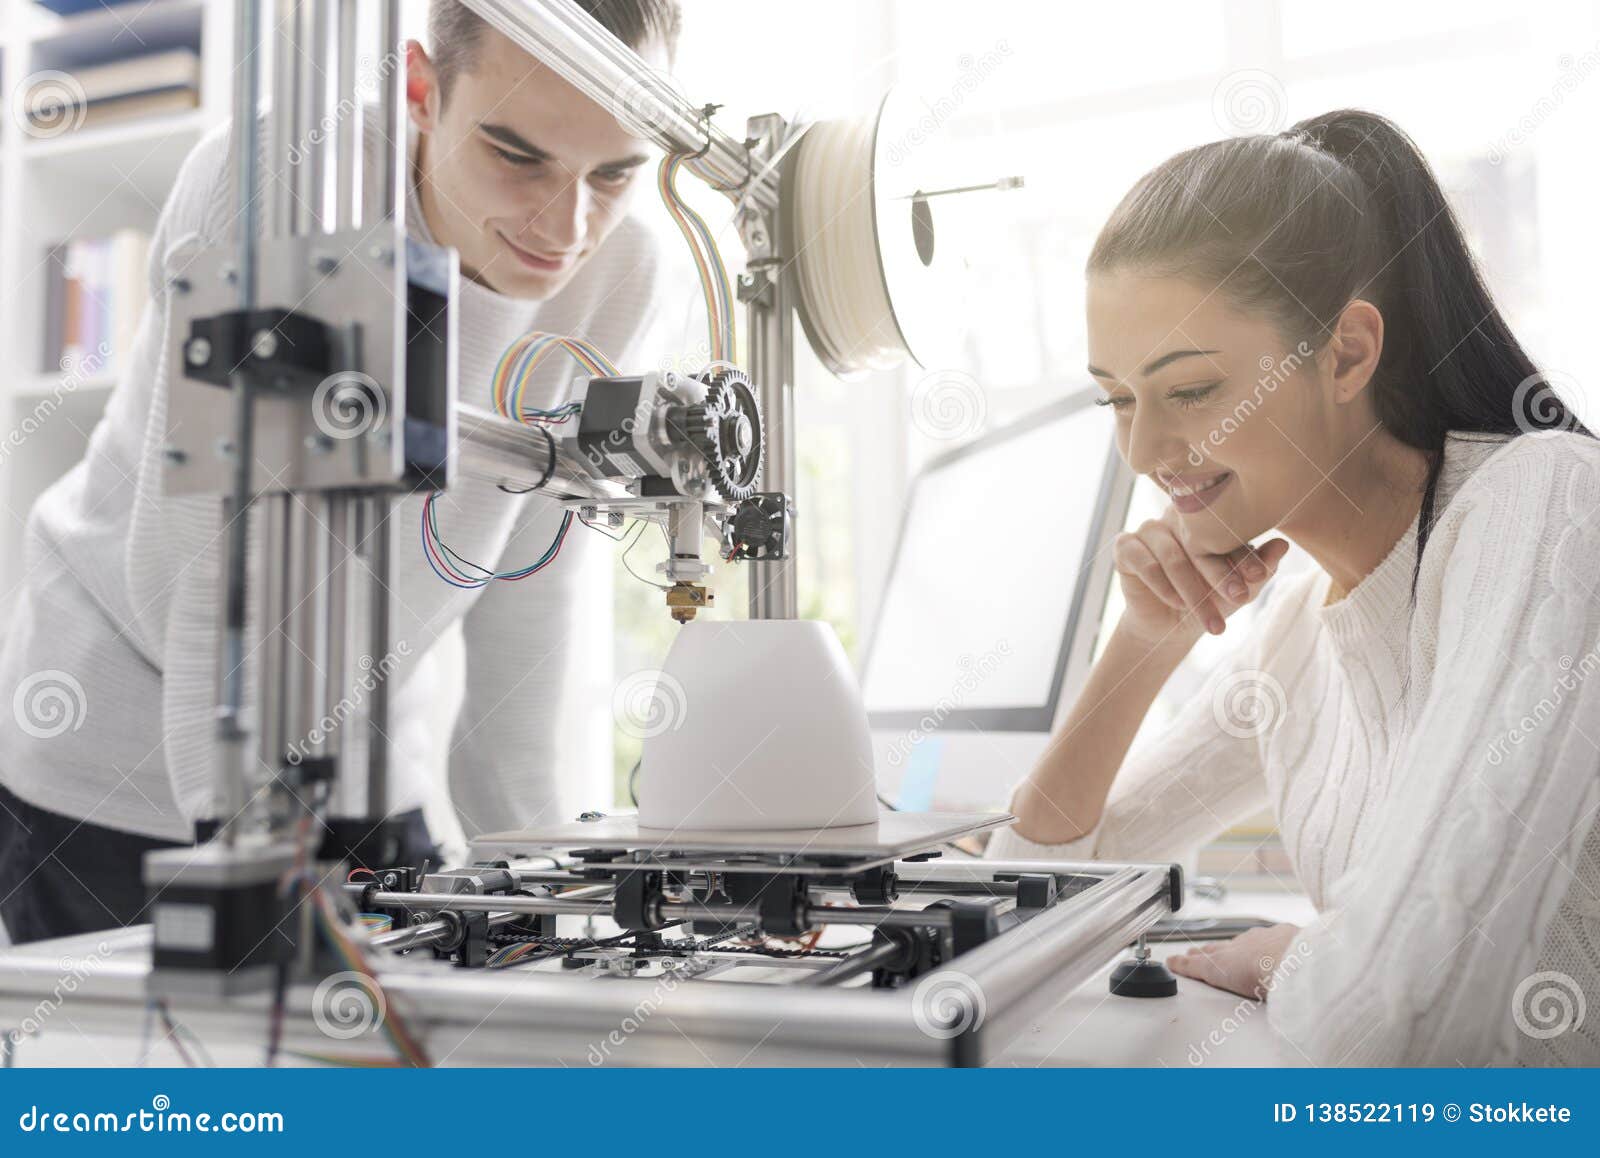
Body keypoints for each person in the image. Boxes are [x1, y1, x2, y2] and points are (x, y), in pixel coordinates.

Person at [0, 0, 681, 943]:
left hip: (366, 743)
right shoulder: (288, 179)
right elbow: (212, 577)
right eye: (517, 157)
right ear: (421, 88)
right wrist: (239, 851)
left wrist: (530, 882)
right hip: (124, 734)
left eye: (614, 173)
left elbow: (531, 589)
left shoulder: (622, 268)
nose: (565, 225)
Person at [989, 109, 1600, 1065]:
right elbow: (1029, 904)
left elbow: (1402, 1018)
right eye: (1117, 399)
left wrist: (1293, 957)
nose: (1143, 452)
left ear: (1348, 352)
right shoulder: (1299, 627)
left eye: (1190, 391)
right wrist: (1146, 641)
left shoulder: (1543, 499)